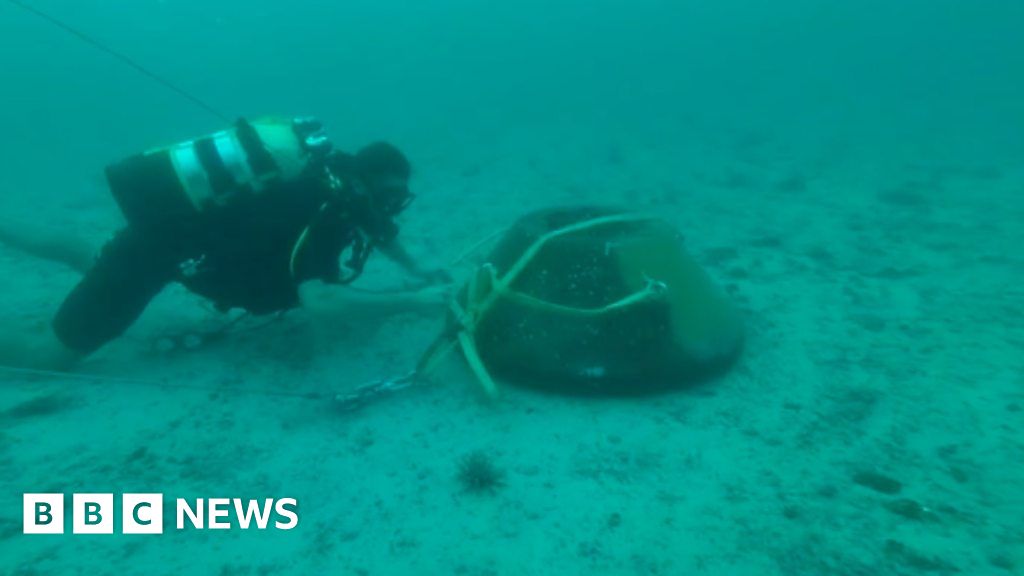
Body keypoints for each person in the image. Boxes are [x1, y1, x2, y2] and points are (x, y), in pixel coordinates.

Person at [0, 116, 450, 369]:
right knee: (48, 359)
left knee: (93, 256)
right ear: (369, 181)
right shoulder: (329, 207)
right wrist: (414, 301)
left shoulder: (335, 177)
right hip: (158, 253)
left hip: (172, 238)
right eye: (391, 195)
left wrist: (418, 270)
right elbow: (320, 300)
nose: (392, 207)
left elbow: (376, 227)